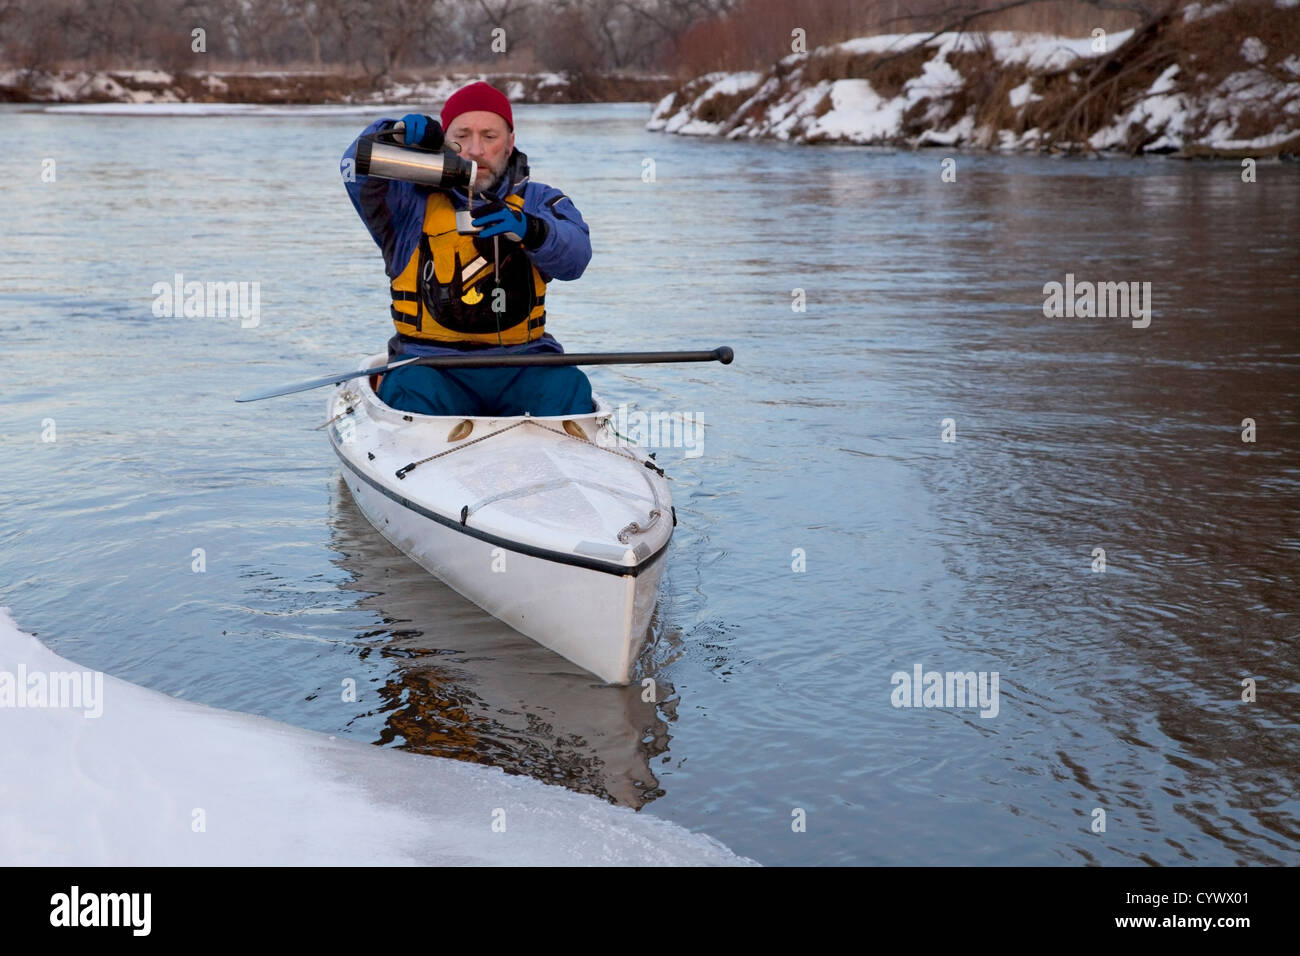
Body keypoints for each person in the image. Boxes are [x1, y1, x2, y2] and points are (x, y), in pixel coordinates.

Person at [341, 81, 594, 417]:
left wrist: (531, 230)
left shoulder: (540, 201)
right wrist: (393, 132)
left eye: (490, 136)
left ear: (510, 143)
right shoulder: (405, 203)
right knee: (410, 392)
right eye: (462, 136)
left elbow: (576, 258)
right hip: (429, 367)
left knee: (568, 386)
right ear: (443, 141)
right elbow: (354, 167)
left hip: (525, 365)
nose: (475, 149)